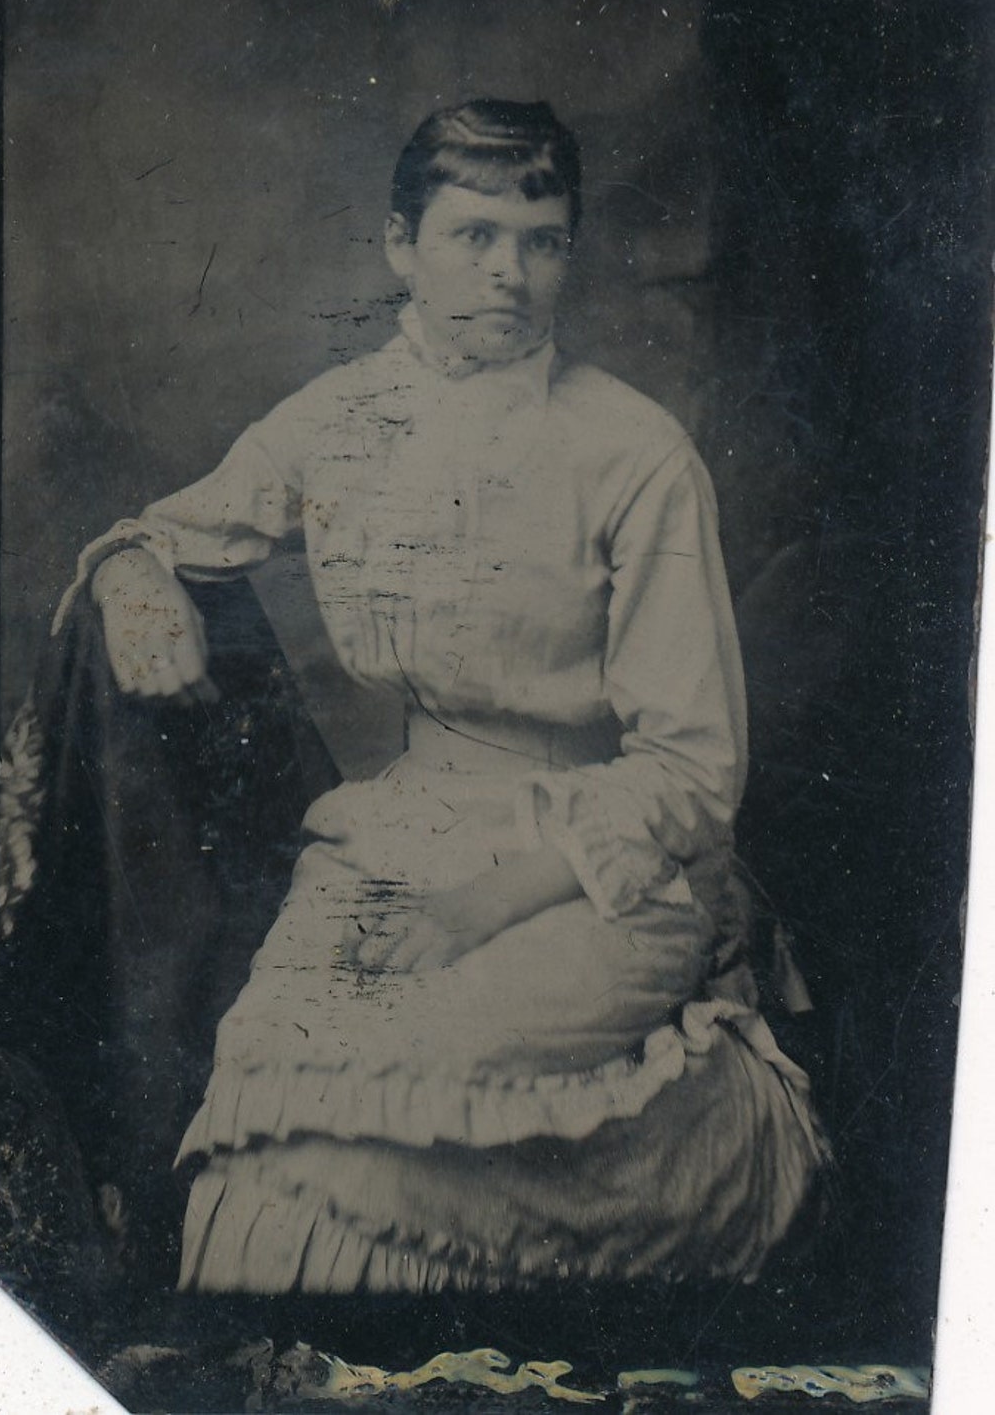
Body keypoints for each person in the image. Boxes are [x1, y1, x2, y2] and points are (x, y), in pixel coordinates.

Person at [58, 98, 827, 1294]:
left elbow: (691, 771)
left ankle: (721, 1139)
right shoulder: (336, 421)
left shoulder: (637, 453)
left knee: (385, 1133)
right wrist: (130, 576)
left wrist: (482, 909)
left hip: (599, 863)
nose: (511, 275)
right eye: (474, 237)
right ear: (398, 246)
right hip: (399, 832)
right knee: (264, 1127)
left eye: (544, 241)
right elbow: (166, 532)